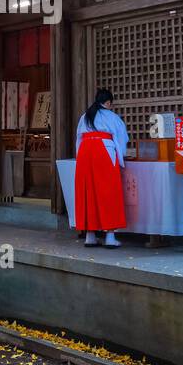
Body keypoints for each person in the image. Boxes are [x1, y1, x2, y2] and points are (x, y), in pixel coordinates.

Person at [74, 88, 128, 248]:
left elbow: (78, 137)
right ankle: (110, 237)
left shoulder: (85, 117)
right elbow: (121, 138)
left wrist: (80, 156)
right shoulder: (112, 117)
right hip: (104, 150)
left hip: (85, 151)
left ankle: (90, 236)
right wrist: (121, 156)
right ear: (108, 103)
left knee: (87, 192)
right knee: (108, 192)